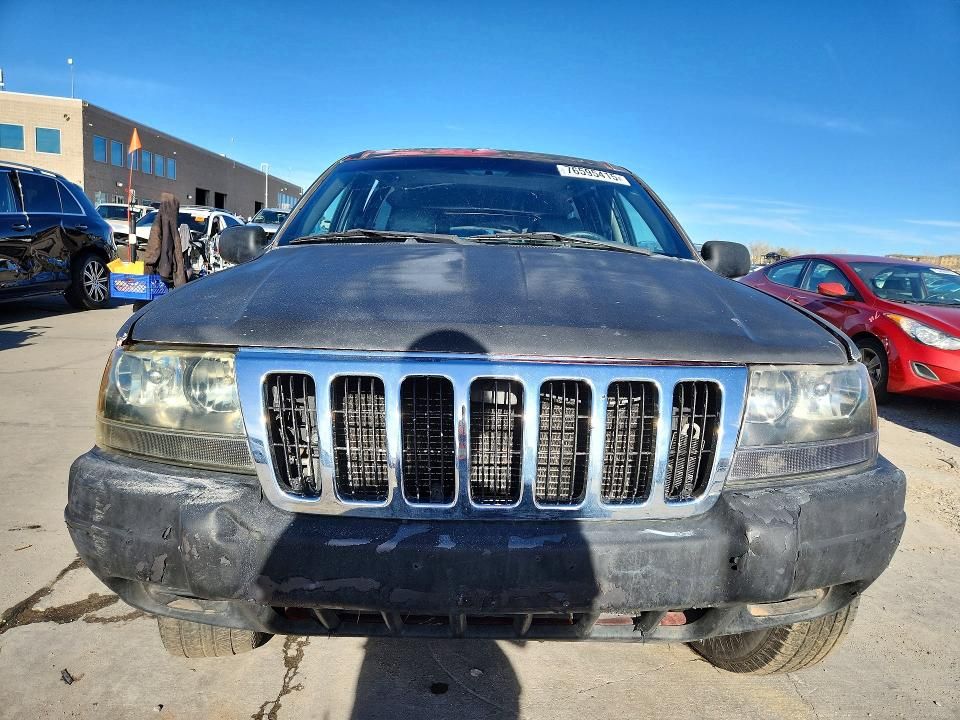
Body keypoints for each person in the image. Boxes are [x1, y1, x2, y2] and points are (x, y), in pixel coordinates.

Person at [143, 193, 187, 289]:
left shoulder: (161, 222)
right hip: (163, 271)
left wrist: (148, 263)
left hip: (162, 270)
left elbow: (154, 246)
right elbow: (156, 246)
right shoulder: (167, 224)